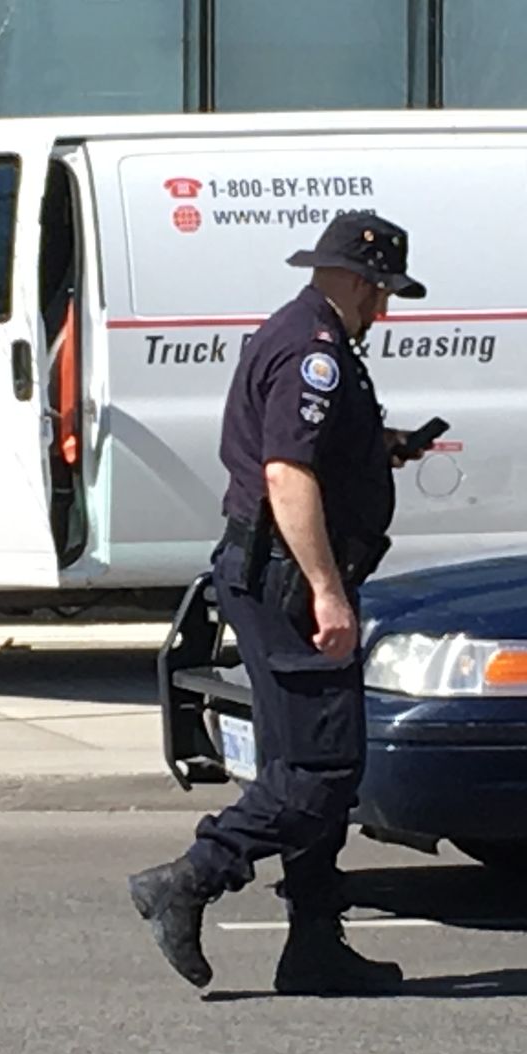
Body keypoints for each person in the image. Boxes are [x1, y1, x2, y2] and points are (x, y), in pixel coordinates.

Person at [129, 211, 432, 997]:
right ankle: (188, 879)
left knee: (298, 761)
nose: (386, 311)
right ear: (360, 283)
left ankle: (314, 942)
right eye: (384, 293)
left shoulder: (304, 333)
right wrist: (329, 593)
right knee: (321, 771)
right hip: (290, 583)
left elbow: (311, 451)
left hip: (272, 575)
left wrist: (385, 445)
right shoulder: (314, 350)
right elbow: (287, 475)